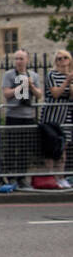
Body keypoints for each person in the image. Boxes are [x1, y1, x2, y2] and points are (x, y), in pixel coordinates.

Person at [1, 49, 41, 189]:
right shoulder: (9, 75)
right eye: (16, 59)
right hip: (13, 116)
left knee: (25, 148)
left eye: (21, 59)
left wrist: (31, 85)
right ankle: (11, 176)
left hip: (28, 116)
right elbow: (6, 93)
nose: (18, 61)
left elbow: (39, 94)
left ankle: (22, 177)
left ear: (27, 60)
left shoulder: (33, 75)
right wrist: (20, 86)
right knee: (11, 147)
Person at [39, 49, 71, 189]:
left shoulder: (70, 74)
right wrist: (67, 81)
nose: (62, 60)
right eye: (59, 58)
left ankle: (61, 177)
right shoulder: (51, 75)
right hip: (51, 117)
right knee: (51, 148)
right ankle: (50, 177)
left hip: (65, 116)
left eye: (65, 58)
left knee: (63, 147)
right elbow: (55, 93)